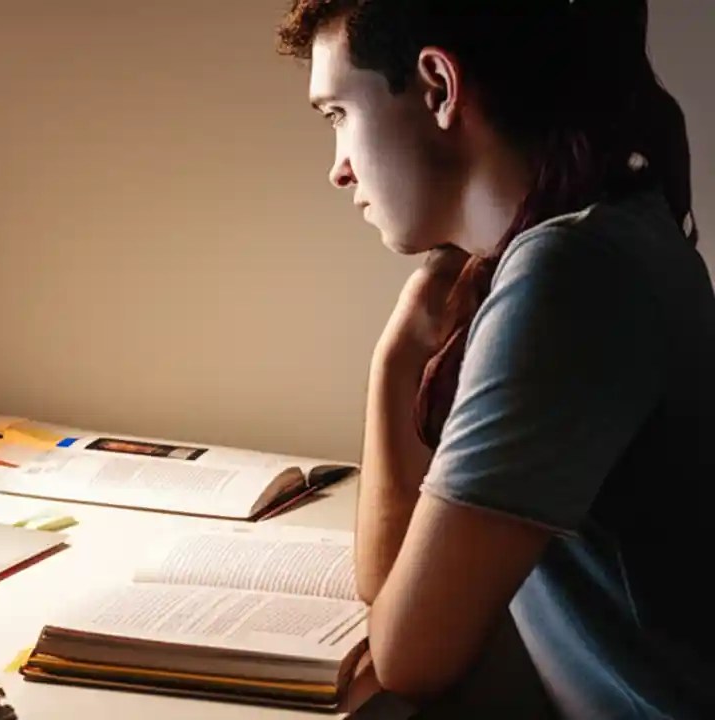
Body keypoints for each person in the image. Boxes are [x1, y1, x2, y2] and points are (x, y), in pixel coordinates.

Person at [277, 1, 714, 717]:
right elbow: (395, 603)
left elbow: (409, 655)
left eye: (338, 116)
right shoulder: (618, 227)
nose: (340, 170)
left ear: (439, 88)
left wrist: (399, 357)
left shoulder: (568, 278)